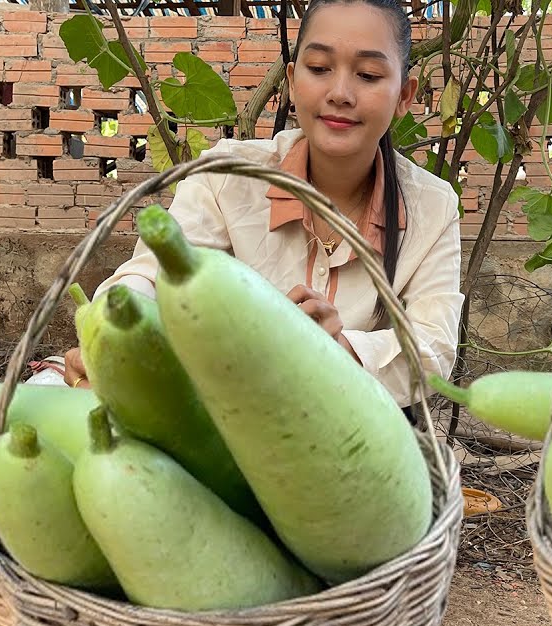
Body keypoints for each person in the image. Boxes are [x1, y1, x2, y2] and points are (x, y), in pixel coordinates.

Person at [60, 0, 464, 409]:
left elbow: (434, 346)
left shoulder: (432, 207)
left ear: (404, 96)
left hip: (352, 424)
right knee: (55, 394)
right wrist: (118, 333)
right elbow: (152, 280)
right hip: (218, 411)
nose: (340, 93)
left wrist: (341, 350)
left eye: (369, 75)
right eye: (319, 69)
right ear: (291, 80)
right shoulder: (227, 176)